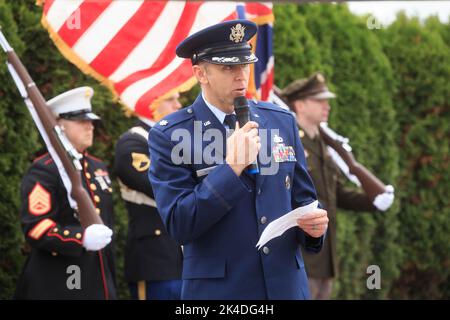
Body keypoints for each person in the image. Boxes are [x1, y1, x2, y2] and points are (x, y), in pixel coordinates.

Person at [147, 20, 329, 300]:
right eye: (227, 67)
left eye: (244, 65)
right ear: (201, 74)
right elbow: (180, 224)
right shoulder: (171, 135)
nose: (241, 77)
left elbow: (304, 202)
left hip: (286, 289)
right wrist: (230, 169)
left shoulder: (281, 121)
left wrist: (314, 230)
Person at [281, 72, 395, 299]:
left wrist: (371, 201)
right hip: (301, 252)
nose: (327, 106)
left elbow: (336, 193)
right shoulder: (289, 142)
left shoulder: (322, 145)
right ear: (300, 105)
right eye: (319, 100)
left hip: (325, 254)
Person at [15, 87, 116, 299]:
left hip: (98, 279)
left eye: (91, 121)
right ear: (59, 125)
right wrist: (80, 237)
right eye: (81, 121)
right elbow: (36, 226)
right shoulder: (45, 169)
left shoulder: (97, 166)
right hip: (60, 281)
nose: (90, 126)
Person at [115, 92, 183, 300]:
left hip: (185, 259)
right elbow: (160, 186)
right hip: (155, 259)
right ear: (150, 102)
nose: (178, 105)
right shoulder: (132, 142)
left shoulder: (178, 141)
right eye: (170, 99)